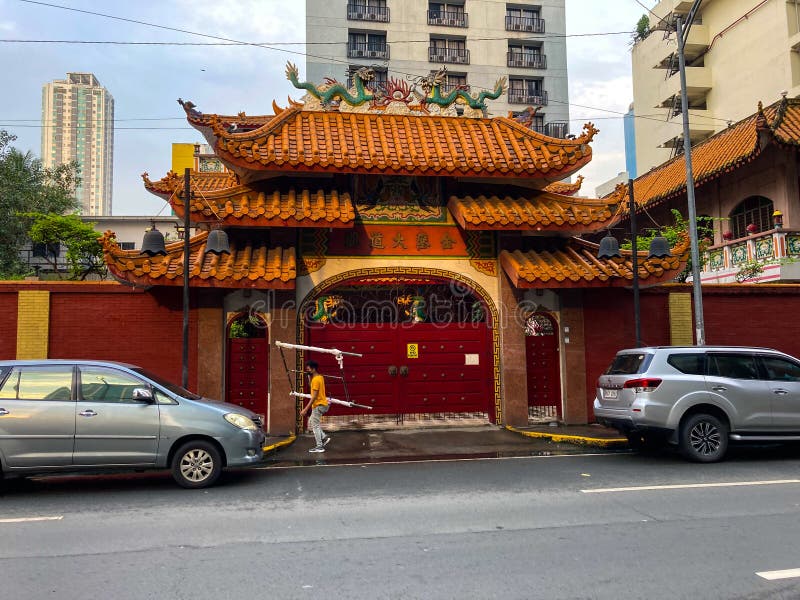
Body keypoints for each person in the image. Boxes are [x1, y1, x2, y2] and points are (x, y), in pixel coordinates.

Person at [299, 360, 331, 453]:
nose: (307, 370)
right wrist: (309, 377)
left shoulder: (316, 380)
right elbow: (311, 386)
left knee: (315, 425)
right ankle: (324, 437)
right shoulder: (319, 377)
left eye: (309, 369)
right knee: (312, 422)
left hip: (318, 405)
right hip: (321, 404)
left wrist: (305, 409)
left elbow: (314, 396)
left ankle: (319, 446)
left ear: (314, 369)